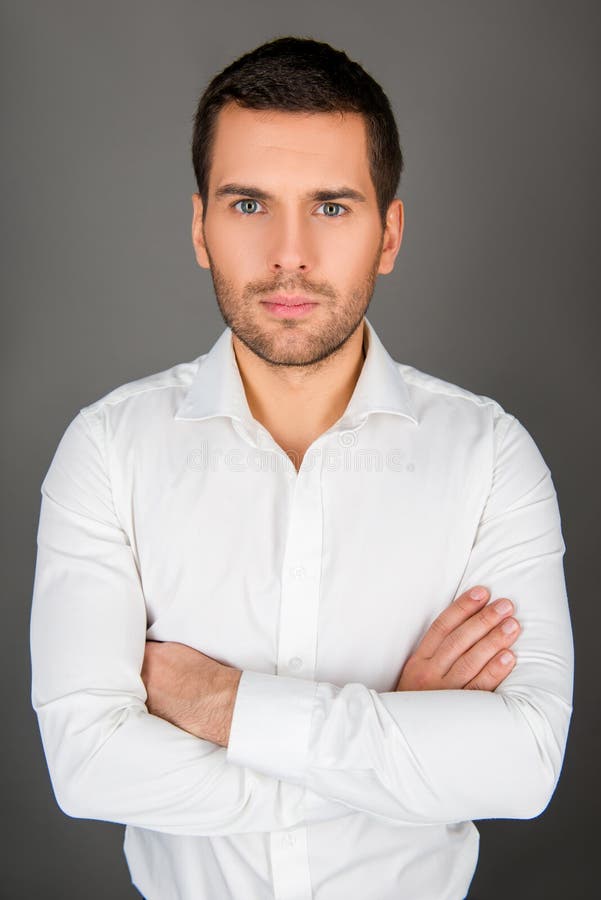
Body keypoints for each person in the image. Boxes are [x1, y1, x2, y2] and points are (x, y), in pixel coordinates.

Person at [30, 35, 574, 900]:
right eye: (248, 206)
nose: (289, 254)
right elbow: (88, 766)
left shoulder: (489, 456)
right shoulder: (106, 451)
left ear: (387, 233)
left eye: (331, 207)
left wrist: (219, 703)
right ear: (199, 227)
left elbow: (525, 766)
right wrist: (389, 741)